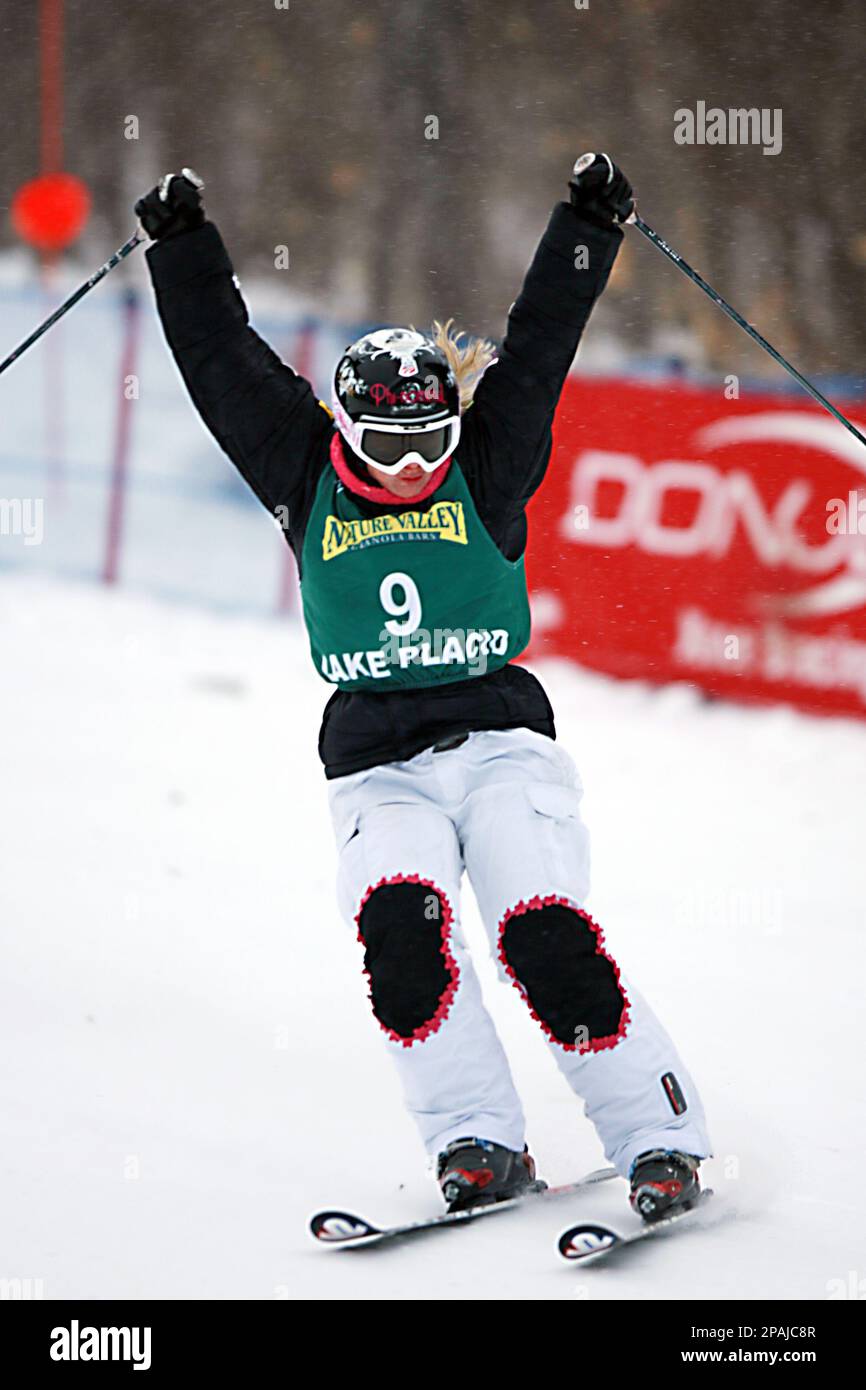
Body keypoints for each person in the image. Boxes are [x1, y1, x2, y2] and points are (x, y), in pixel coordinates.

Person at [135, 155, 711, 1222]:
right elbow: (220, 358)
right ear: (348, 431)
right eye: (390, 446)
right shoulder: (301, 471)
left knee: (543, 938)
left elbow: (538, 344)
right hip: (374, 767)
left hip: (498, 745)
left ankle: (659, 1135)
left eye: (429, 441)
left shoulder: (488, 467)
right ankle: (476, 1139)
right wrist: (181, 246)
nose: (411, 466)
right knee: (403, 942)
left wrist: (587, 225)